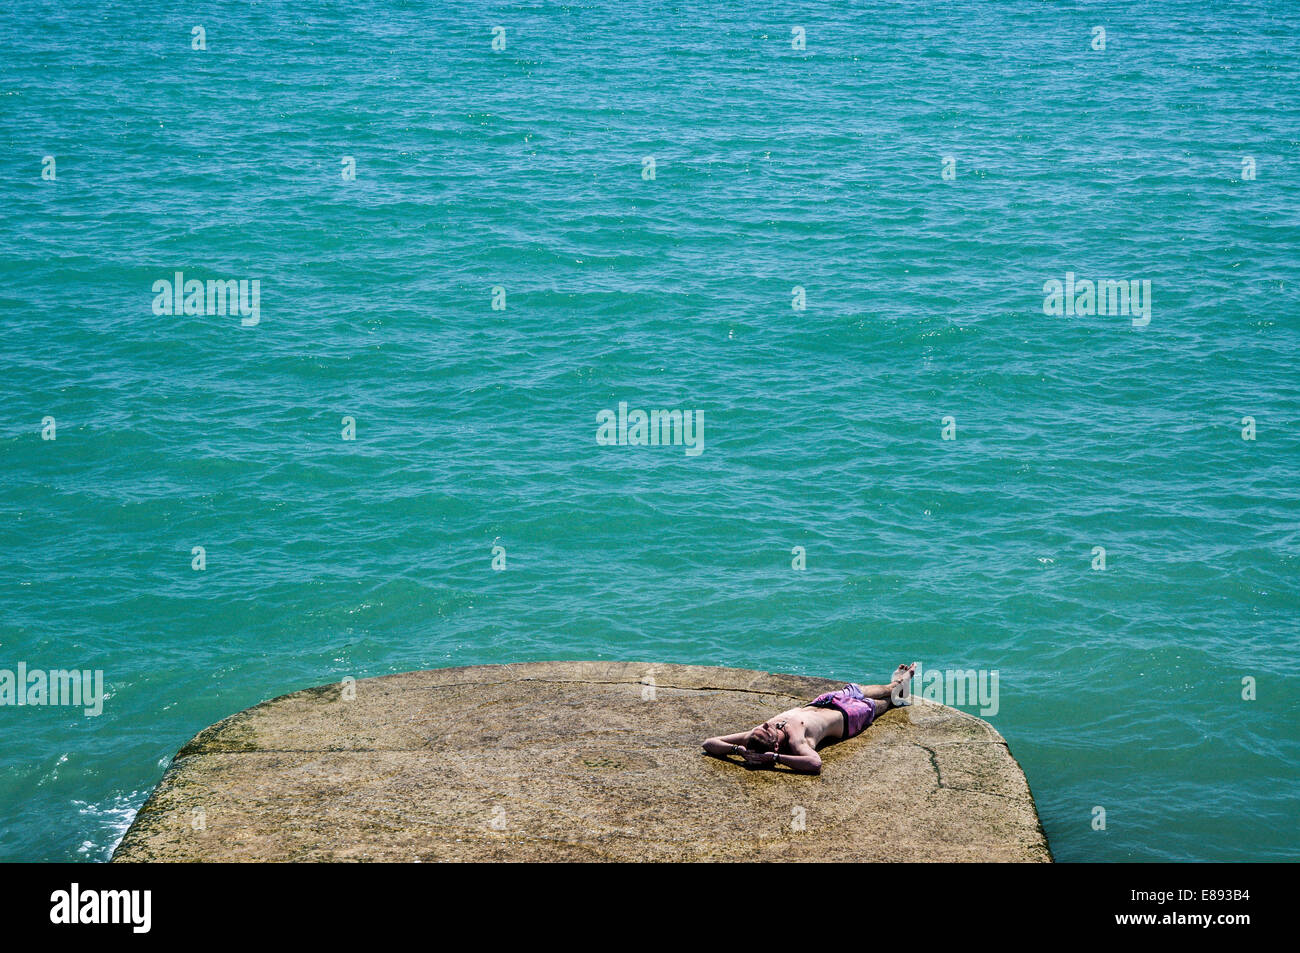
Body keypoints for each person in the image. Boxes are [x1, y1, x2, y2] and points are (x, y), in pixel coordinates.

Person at [701, 663, 916, 774]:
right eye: (768, 730)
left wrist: (738, 750)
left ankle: (893, 685)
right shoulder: (796, 742)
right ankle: (897, 694)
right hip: (846, 716)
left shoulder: (754, 736)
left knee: (858, 689)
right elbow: (815, 763)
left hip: (821, 702)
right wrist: (774, 759)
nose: (766, 724)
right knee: (880, 704)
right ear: (775, 746)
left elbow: (709, 742)